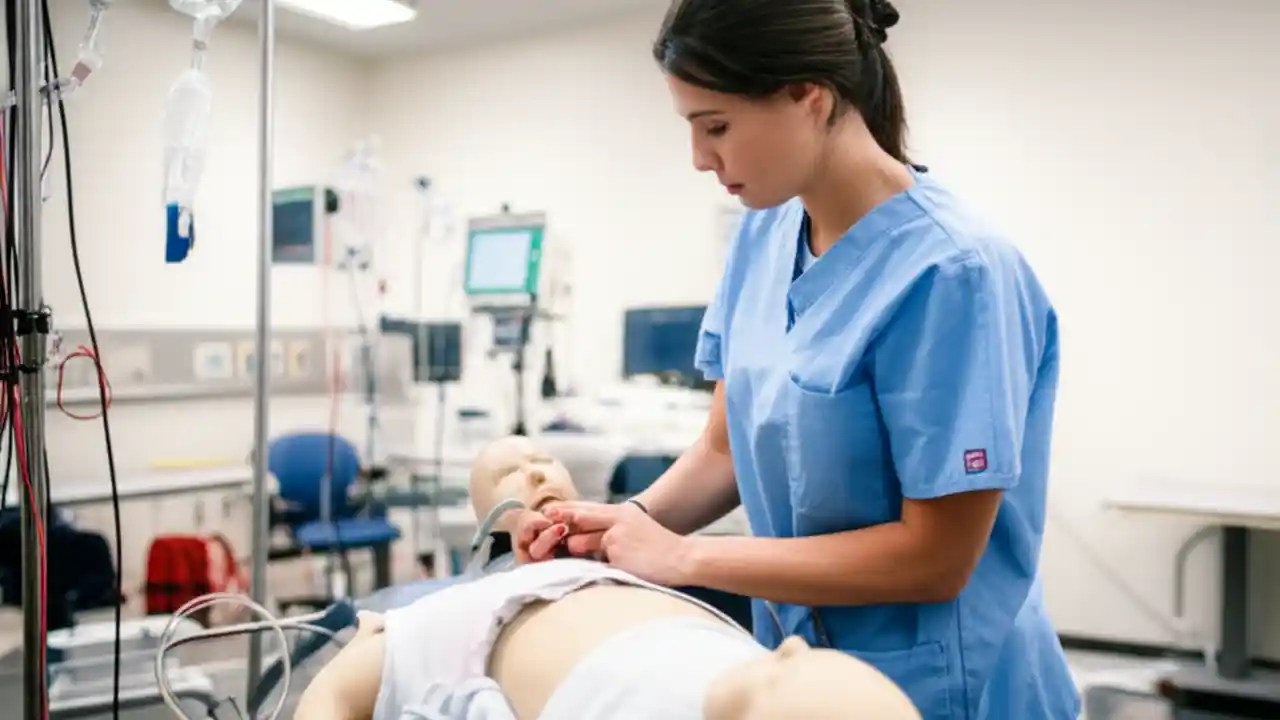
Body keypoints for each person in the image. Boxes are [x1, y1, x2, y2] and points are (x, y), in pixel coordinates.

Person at [515, 1, 1081, 718]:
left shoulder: (954, 272)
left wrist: (685, 558)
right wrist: (621, 522)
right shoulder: (762, 239)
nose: (700, 158)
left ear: (807, 96)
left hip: (947, 689)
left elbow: (936, 558)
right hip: (798, 674)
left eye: (715, 126)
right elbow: (724, 448)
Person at [294, 435, 921, 719]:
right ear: (486, 523)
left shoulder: (645, 559)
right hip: (630, 694)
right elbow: (335, 693)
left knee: (806, 686)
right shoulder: (463, 602)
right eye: (512, 474)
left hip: (740, 671)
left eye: (543, 460)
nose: (537, 474)